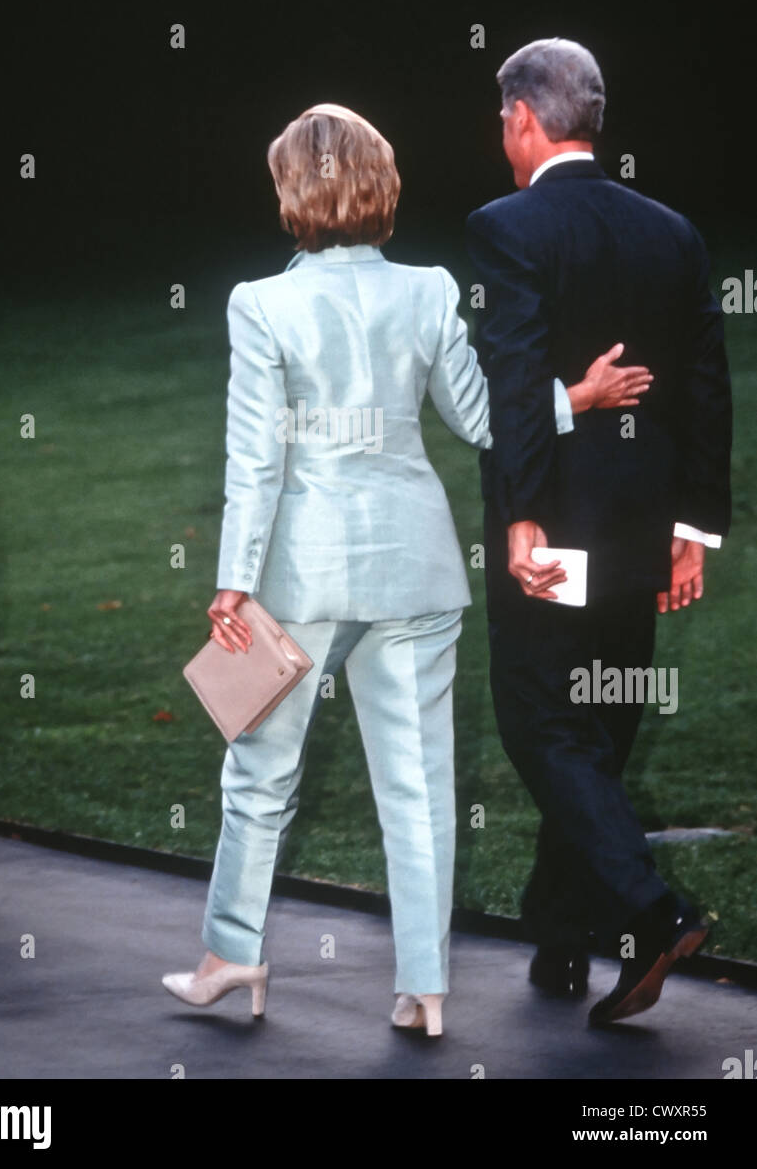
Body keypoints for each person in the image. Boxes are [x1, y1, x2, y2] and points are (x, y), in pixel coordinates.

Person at [162, 103, 651, 1034]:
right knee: (421, 786)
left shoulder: (258, 303)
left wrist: (232, 579)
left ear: (290, 191)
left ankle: (232, 958)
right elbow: (481, 422)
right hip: (417, 567)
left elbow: (255, 462)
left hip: (301, 576)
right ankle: (422, 991)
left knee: (259, 776)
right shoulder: (428, 290)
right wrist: (575, 397)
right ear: (380, 187)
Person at [465, 38, 733, 1025]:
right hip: (637, 532)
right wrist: (688, 530)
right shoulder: (670, 231)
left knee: (543, 720)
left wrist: (522, 515)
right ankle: (561, 926)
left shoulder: (502, 227)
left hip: (555, 531)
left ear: (521, 117)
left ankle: (651, 912)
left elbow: (509, 385)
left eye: (500, 119)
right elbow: (705, 390)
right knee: (598, 724)